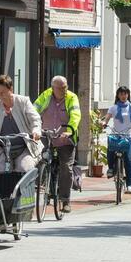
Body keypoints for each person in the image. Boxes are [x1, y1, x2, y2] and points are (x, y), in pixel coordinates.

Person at [32, 76, 81, 213]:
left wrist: (70, 130)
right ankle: (44, 185)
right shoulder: (46, 95)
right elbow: (34, 110)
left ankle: (65, 200)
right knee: (38, 160)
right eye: (60, 88)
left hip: (65, 138)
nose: (63, 90)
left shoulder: (72, 97)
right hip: (47, 136)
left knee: (66, 167)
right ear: (53, 88)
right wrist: (33, 127)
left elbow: (75, 115)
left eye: (65, 87)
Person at [0, 75, 42, 173]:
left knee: (24, 169)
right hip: (2, 148)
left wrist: (36, 131)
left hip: (24, 147)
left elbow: (35, 119)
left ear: (11, 89)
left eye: (3, 93)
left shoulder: (23, 102)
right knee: (1, 171)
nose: (0, 96)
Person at [103, 86, 131, 194]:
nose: (123, 96)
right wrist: (104, 123)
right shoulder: (113, 108)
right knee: (110, 148)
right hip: (116, 135)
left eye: (125, 94)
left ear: (128, 95)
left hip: (128, 137)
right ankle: (111, 168)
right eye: (121, 94)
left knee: (128, 158)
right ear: (118, 95)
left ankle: (129, 185)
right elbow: (107, 118)